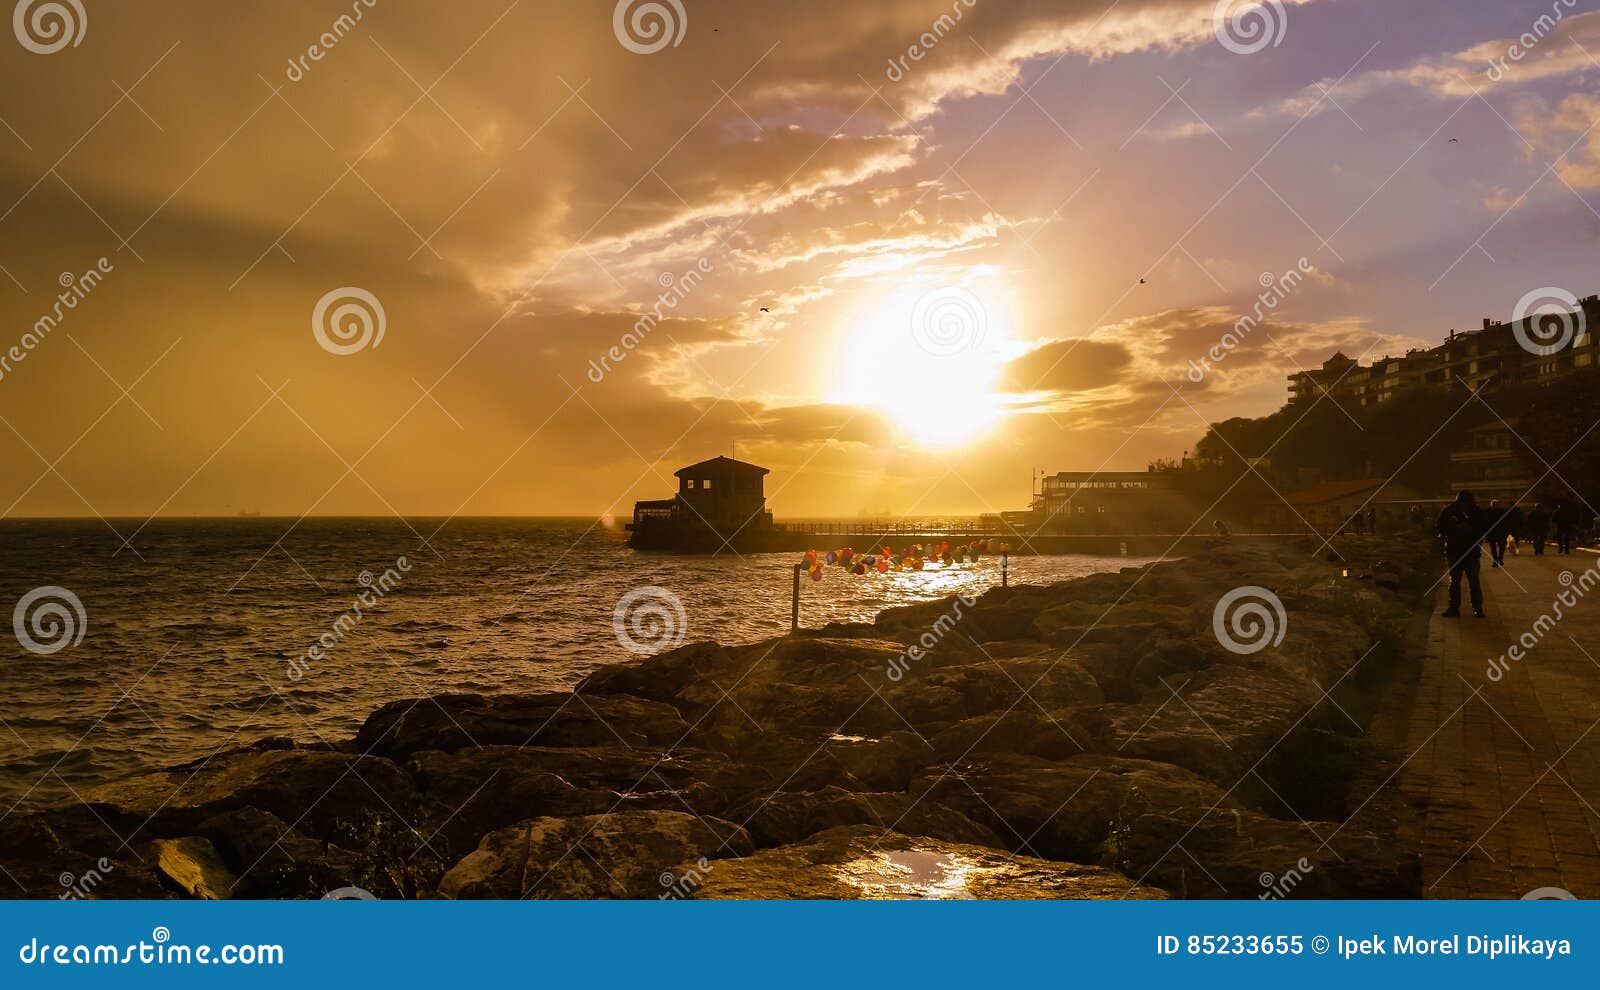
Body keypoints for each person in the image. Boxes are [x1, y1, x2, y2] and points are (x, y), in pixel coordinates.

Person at [1435, 490, 1487, 618]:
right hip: (1455, 551)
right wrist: (1454, 529)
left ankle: (1477, 607)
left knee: (1473, 582)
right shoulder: (1449, 511)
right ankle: (1454, 607)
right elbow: (1439, 528)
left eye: (1466, 502)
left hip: (1470, 551)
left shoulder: (1477, 512)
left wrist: (1470, 530)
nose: (1465, 505)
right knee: (1455, 581)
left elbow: (1484, 529)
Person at [1485, 499, 1510, 568]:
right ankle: (1499, 559)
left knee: (1494, 547)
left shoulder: (1488, 511)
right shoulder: (1502, 511)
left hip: (1494, 532)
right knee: (1501, 546)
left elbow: (1485, 523)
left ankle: (1496, 560)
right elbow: (1506, 522)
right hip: (1499, 532)